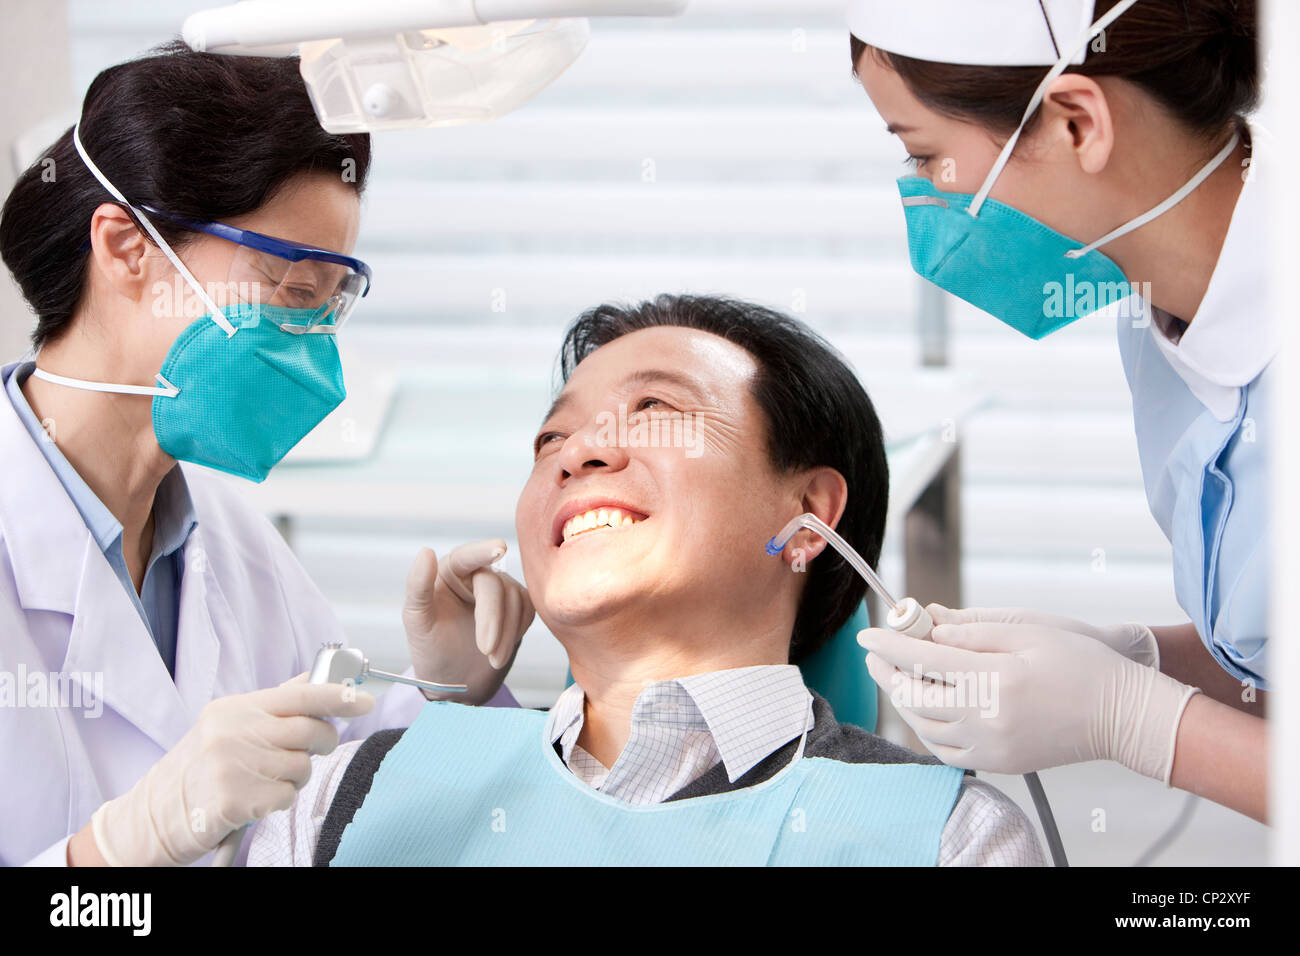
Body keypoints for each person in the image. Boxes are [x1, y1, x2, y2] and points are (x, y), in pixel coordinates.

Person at [247, 294, 1047, 866]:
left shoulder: (952, 841)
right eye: (550, 436)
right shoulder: (348, 794)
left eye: (657, 410)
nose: (577, 451)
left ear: (810, 514)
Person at [0, 42, 529, 867]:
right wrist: (113, 850)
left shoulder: (228, 543)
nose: (306, 347)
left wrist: (452, 692)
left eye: (328, 305)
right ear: (127, 247)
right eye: (287, 292)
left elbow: (360, 796)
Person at [844, 0, 1270, 821]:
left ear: (1077, 121)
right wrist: (1139, 662)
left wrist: (1136, 721)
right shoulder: (1155, 321)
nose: (921, 197)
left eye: (926, 156)